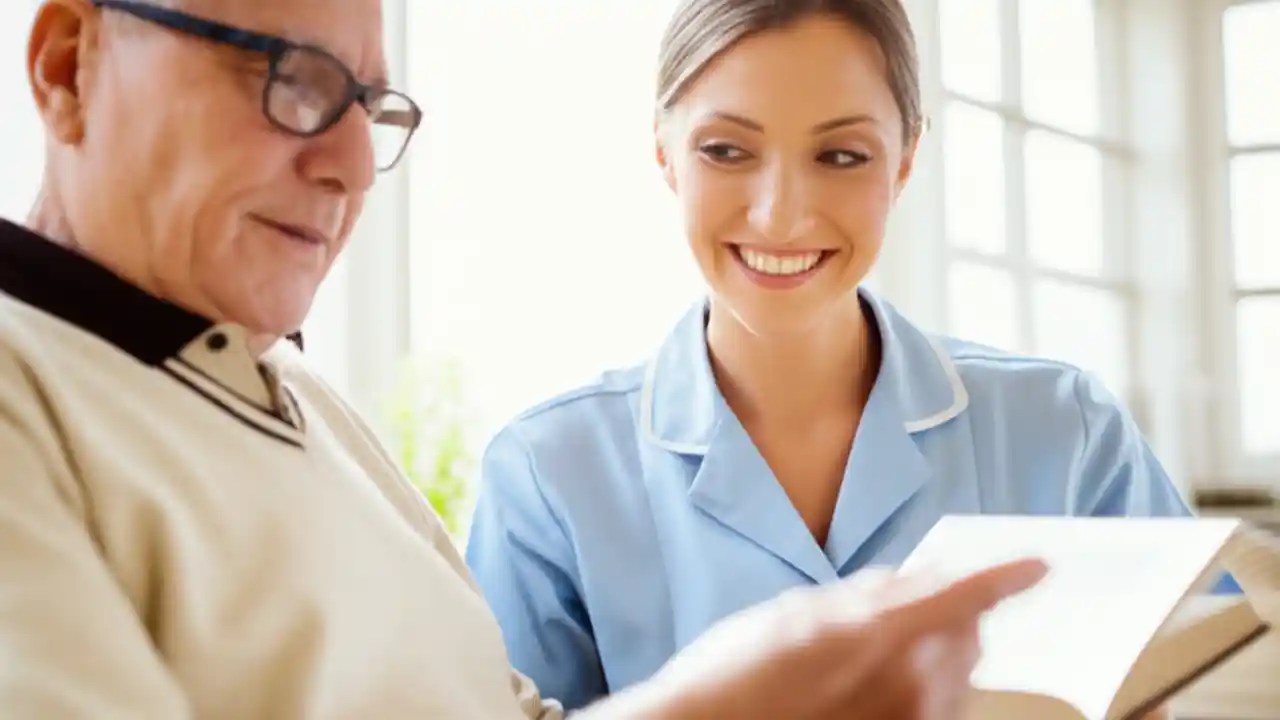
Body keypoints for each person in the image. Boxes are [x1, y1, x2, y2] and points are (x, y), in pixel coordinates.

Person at [0, 0, 1049, 717]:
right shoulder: (29, 394)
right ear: (65, 65)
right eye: (290, 82)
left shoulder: (308, 406)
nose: (354, 163)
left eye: (369, 106)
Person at [465, 0, 1193, 713]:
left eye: (841, 155)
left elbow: (1218, 683)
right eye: (725, 150)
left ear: (905, 160)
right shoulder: (548, 477)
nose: (780, 214)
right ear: (665, 152)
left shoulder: (1069, 435)